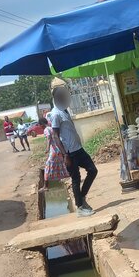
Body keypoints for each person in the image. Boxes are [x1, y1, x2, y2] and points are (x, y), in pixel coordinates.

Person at [48, 81, 97, 216]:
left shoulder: (64, 110)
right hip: (70, 152)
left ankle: (82, 197)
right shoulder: (55, 114)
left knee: (93, 170)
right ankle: (80, 207)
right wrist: (65, 155)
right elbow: (55, 136)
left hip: (78, 149)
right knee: (76, 179)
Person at [41, 116, 69, 187]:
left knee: (47, 167)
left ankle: (45, 186)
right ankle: (63, 178)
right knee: (60, 165)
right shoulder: (51, 128)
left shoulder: (46, 129)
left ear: (41, 124)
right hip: (58, 150)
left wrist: (47, 148)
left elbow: (48, 138)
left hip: (53, 150)